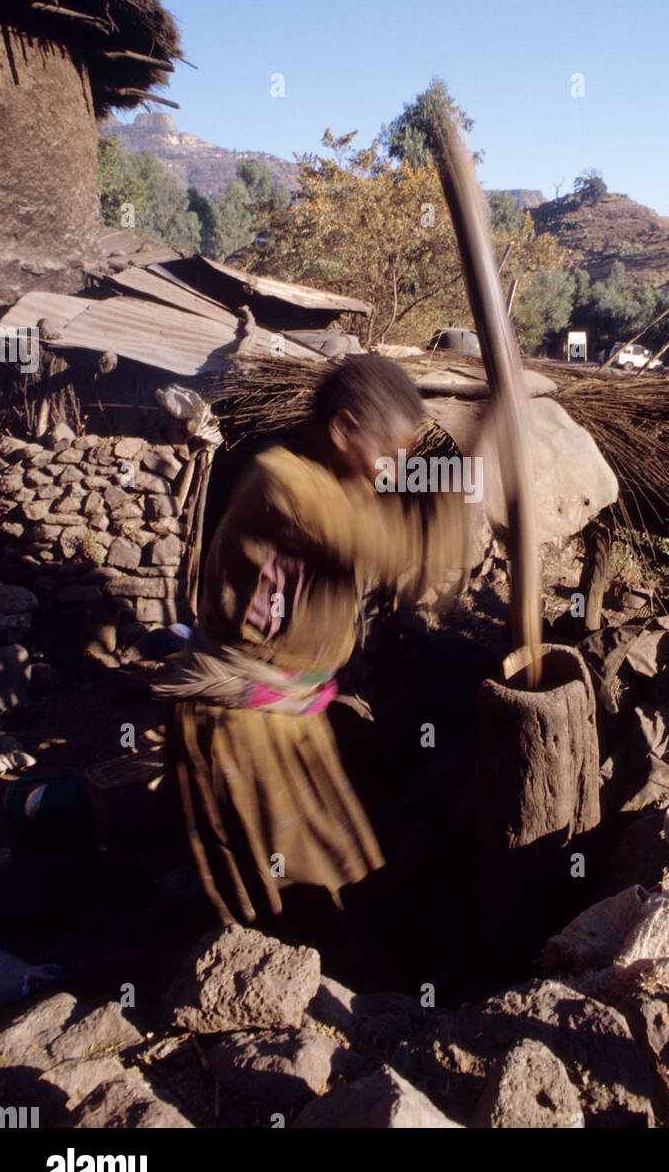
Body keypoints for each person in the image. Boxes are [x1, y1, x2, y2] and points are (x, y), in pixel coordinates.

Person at [155, 355, 476, 944]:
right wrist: (476, 465)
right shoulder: (287, 484)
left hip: (289, 718)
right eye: (390, 451)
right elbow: (395, 546)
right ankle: (264, 999)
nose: (397, 467)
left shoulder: (340, 485)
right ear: (342, 429)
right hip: (244, 727)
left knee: (329, 874)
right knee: (277, 900)